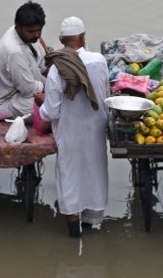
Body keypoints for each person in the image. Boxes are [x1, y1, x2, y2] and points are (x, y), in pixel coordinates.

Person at [34, 16, 110, 238]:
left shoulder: (57, 69)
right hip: (95, 129)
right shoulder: (99, 61)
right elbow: (106, 95)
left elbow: (52, 111)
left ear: (61, 40)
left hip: (70, 132)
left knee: (70, 177)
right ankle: (90, 223)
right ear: (83, 37)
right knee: (93, 173)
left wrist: (41, 103)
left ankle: (73, 232)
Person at [0, 1, 48, 121]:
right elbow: (28, 90)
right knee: (55, 108)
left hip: (24, 89)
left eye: (39, 30)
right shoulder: (14, 52)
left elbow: (42, 64)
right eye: (31, 31)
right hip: (7, 101)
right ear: (17, 26)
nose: (36, 35)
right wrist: (50, 88)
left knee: (57, 100)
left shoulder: (28, 36)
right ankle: (2, 113)